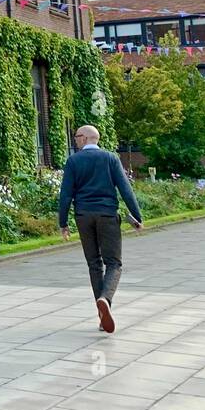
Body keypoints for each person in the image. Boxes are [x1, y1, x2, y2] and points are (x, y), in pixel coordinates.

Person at [58, 124, 142, 334]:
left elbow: (66, 194)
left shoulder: (73, 161)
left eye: (77, 136)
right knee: (113, 263)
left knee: (94, 264)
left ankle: (102, 313)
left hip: (83, 216)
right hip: (107, 215)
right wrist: (137, 215)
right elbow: (125, 188)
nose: (75, 140)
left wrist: (63, 222)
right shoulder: (111, 158)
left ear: (86, 138)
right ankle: (105, 300)